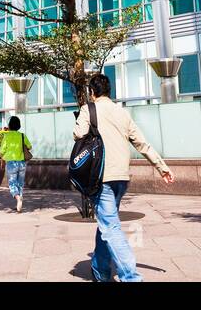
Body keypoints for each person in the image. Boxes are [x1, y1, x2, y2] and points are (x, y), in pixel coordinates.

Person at [73, 73, 174, 282]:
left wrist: (82, 122)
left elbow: (78, 134)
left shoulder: (88, 109)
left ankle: (131, 277)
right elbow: (142, 143)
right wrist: (161, 167)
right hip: (121, 178)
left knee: (110, 227)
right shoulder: (122, 113)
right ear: (109, 91)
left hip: (101, 177)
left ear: (92, 92)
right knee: (107, 222)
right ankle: (100, 270)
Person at [0, 115, 32, 213]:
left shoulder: (6, 136)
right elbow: (29, 147)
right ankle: (19, 201)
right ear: (18, 125)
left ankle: (18, 198)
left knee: (12, 183)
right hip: (22, 163)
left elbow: (1, 151)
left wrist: (3, 158)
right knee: (20, 183)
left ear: (9, 125)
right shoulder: (22, 135)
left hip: (11, 164)